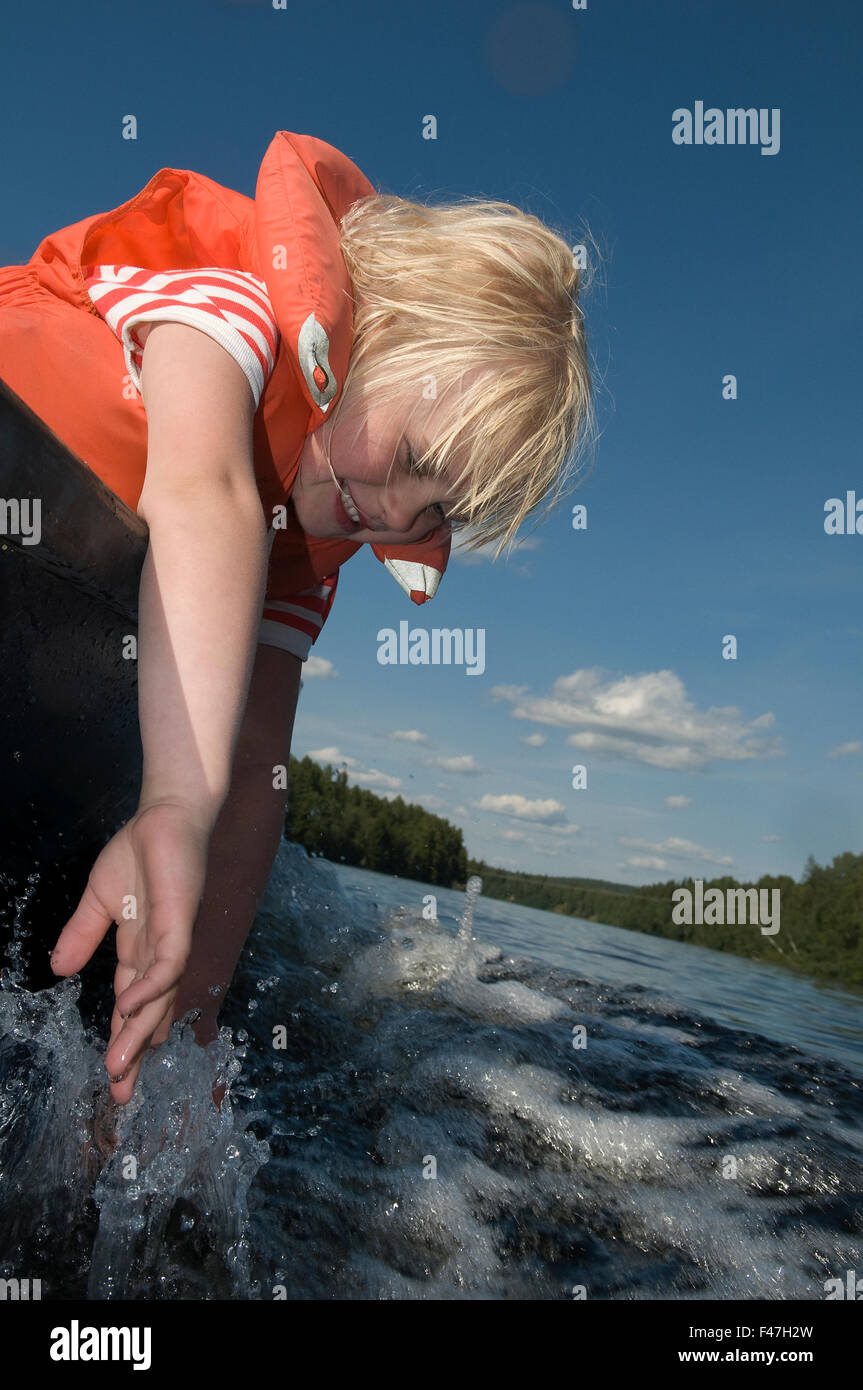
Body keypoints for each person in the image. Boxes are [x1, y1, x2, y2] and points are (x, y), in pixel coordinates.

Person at [0, 130, 593, 1105]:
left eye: (439, 510)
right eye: (409, 455)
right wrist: (171, 806)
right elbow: (206, 490)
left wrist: (176, 1049)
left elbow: (255, 771)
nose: (401, 517)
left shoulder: (307, 551)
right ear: (372, 327)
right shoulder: (230, 298)